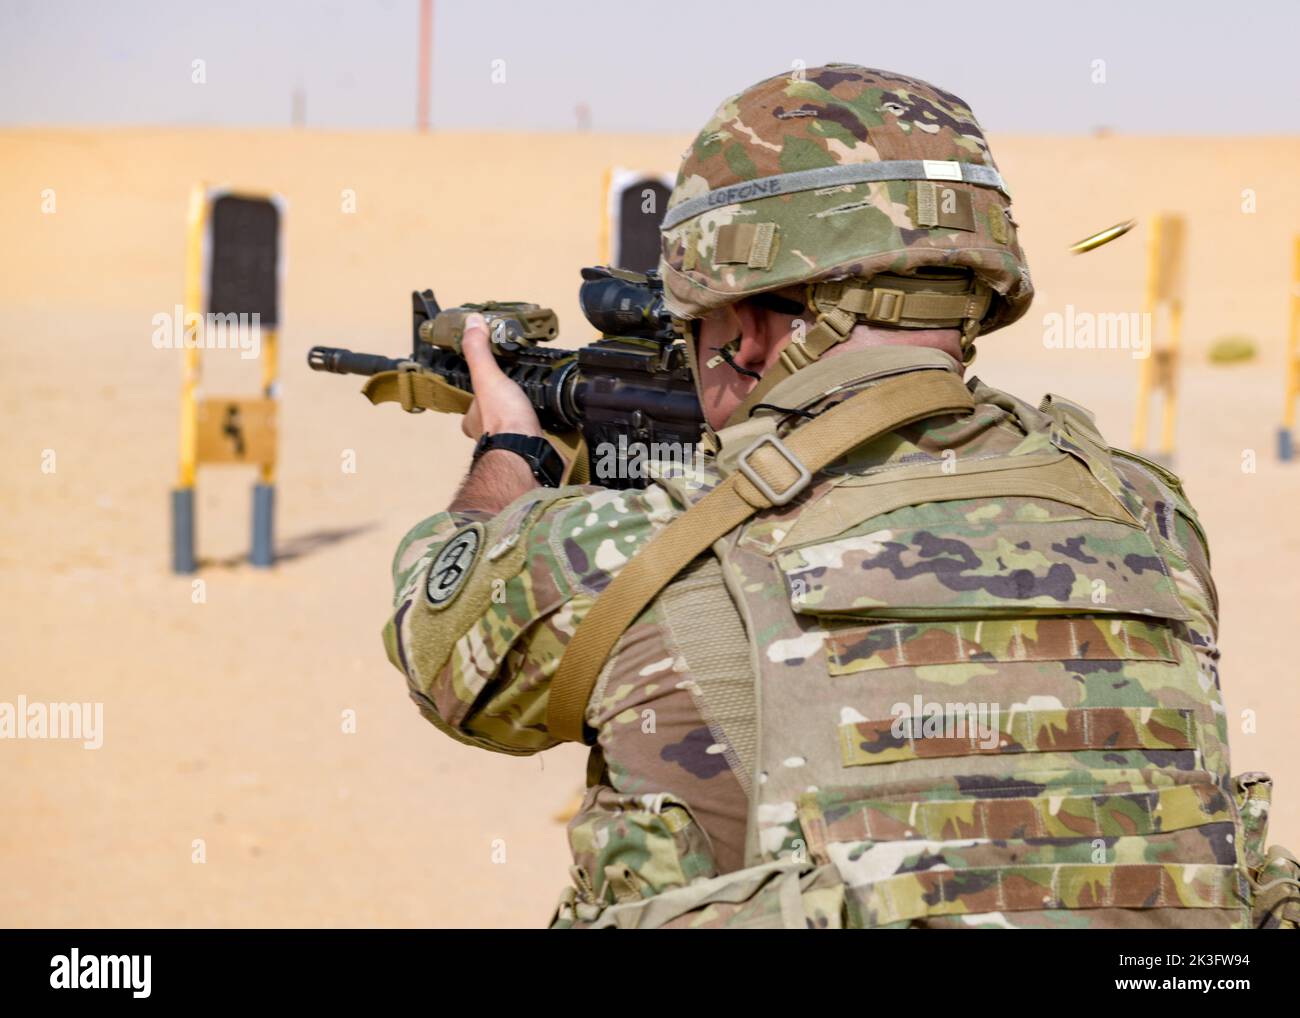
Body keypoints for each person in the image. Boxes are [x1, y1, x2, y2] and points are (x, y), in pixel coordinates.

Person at [383, 64, 1298, 928]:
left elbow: (438, 644)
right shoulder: (1145, 512)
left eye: (692, 324)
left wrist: (512, 450)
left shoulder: (645, 549)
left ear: (740, 327)